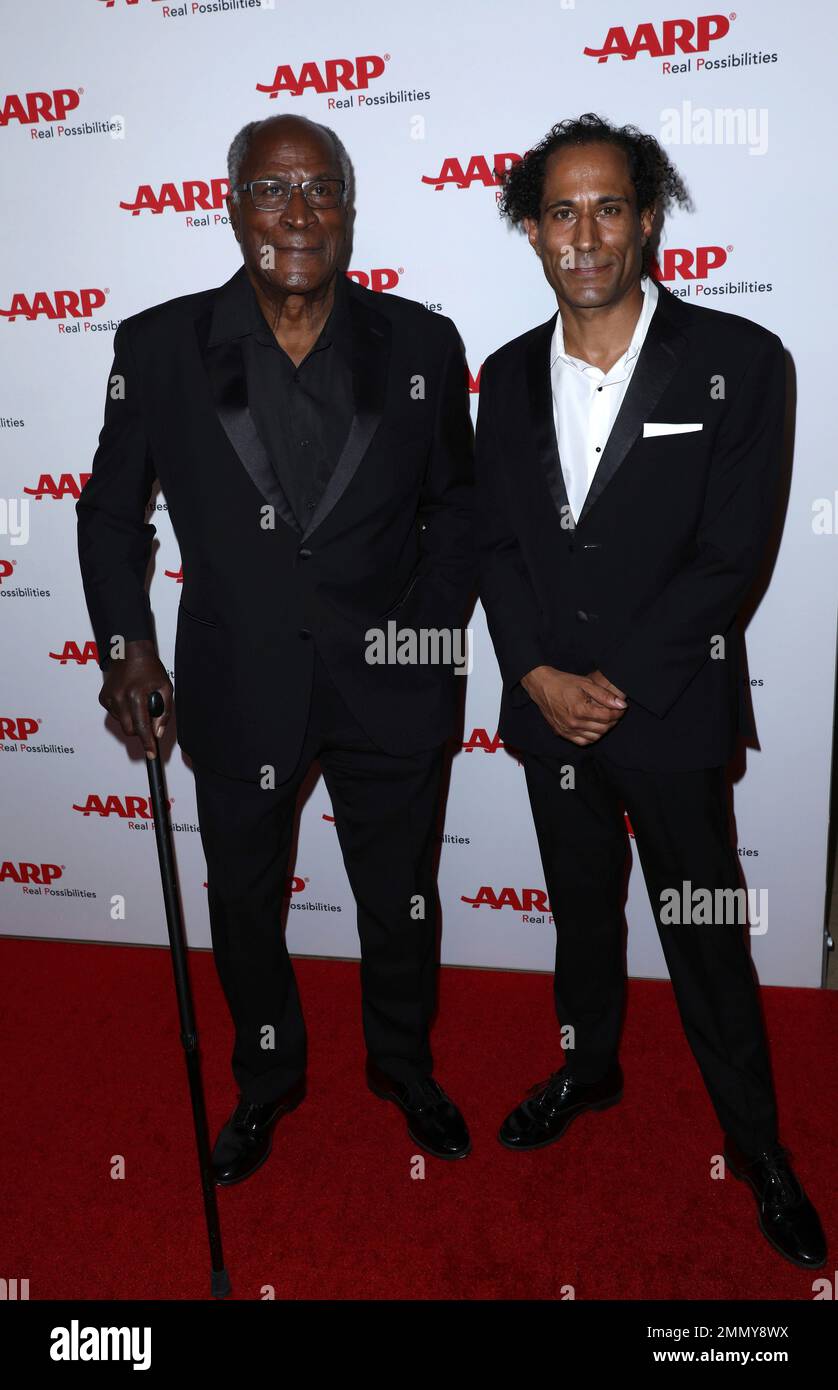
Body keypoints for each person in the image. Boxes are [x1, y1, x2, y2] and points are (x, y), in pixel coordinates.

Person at [77, 113, 476, 1182]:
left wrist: (424, 637)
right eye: (270, 189)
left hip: (389, 688)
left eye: (319, 190)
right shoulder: (158, 347)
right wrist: (126, 647)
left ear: (348, 209)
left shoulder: (422, 346)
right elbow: (111, 516)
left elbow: (457, 512)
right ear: (230, 205)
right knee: (245, 902)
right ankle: (268, 1081)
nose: (296, 213)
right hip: (237, 682)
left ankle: (401, 1064)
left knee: (399, 897)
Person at [475, 112, 825, 1268]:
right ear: (531, 229)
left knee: (703, 930)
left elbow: (732, 558)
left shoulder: (740, 361)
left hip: (666, 709)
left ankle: (758, 1145)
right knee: (580, 912)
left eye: (608, 207)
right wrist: (533, 671)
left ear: (648, 217)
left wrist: (610, 685)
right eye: (560, 211)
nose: (585, 234)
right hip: (544, 708)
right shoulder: (507, 375)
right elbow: (499, 544)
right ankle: (588, 1068)